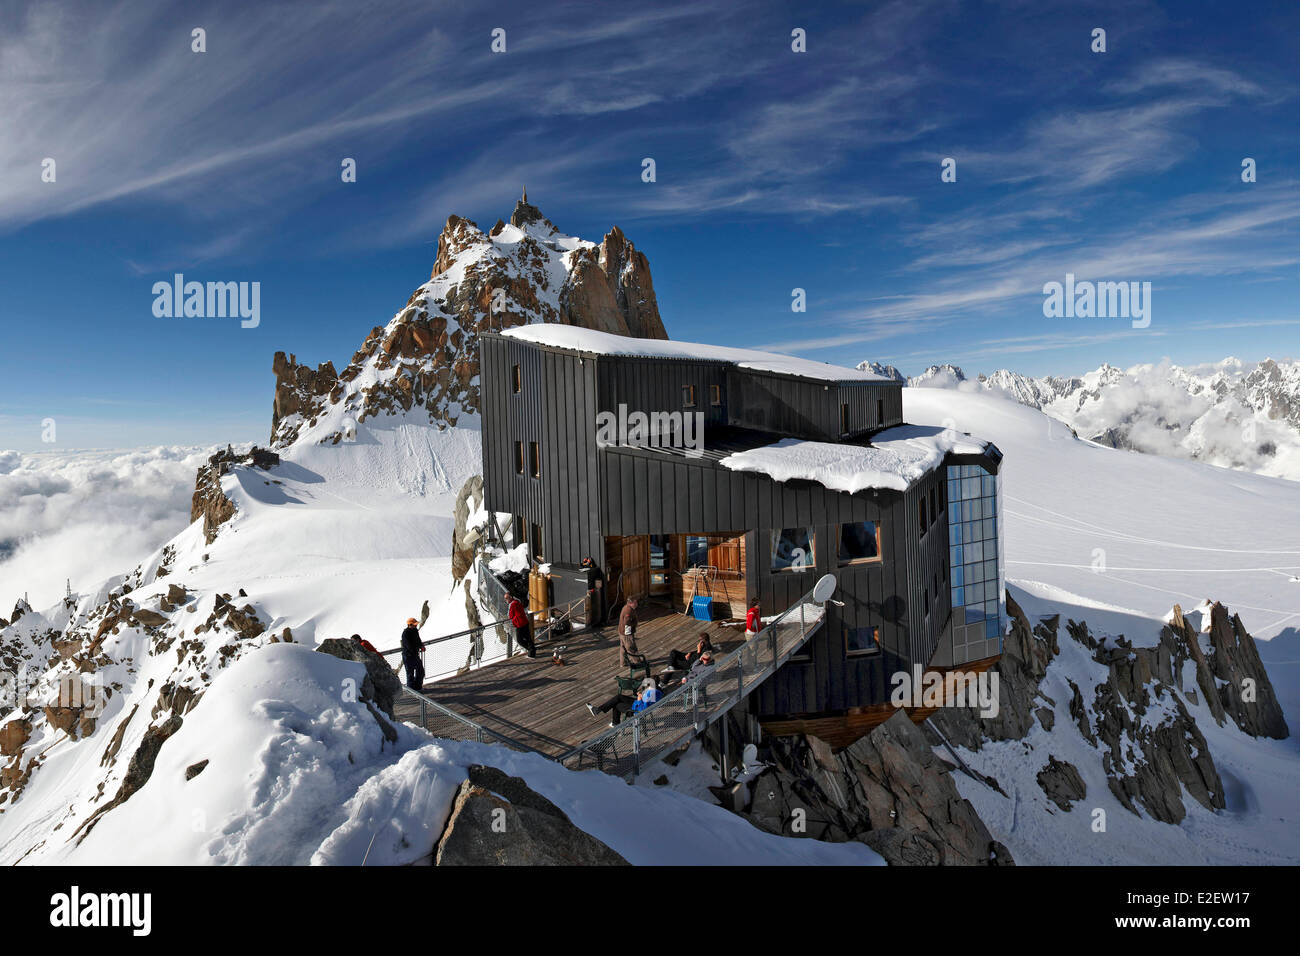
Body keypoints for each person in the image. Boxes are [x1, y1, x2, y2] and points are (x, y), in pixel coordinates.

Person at [586, 679, 659, 728]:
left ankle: (615, 722)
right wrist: (641, 696)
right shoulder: (658, 692)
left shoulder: (651, 694)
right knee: (618, 697)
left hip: (636, 710)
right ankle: (599, 710)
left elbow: (643, 708)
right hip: (636, 703)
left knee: (616, 704)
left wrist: (639, 698)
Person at [618, 596, 644, 668]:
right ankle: (637, 663)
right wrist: (634, 625)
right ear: (630, 603)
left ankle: (623, 663)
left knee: (623, 648)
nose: (636, 604)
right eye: (635, 603)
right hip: (626, 633)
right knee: (631, 648)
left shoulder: (627, 607)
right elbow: (627, 623)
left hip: (621, 631)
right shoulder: (628, 611)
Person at [400, 618, 424, 690]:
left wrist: (421, 646)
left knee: (420, 671)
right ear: (409, 625)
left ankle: (418, 687)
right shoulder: (405, 633)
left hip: (414, 655)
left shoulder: (415, 631)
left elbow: (418, 640)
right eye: (414, 624)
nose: (416, 626)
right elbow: (408, 645)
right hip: (408, 656)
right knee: (410, 674)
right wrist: (415, 650)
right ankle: (412, 691)